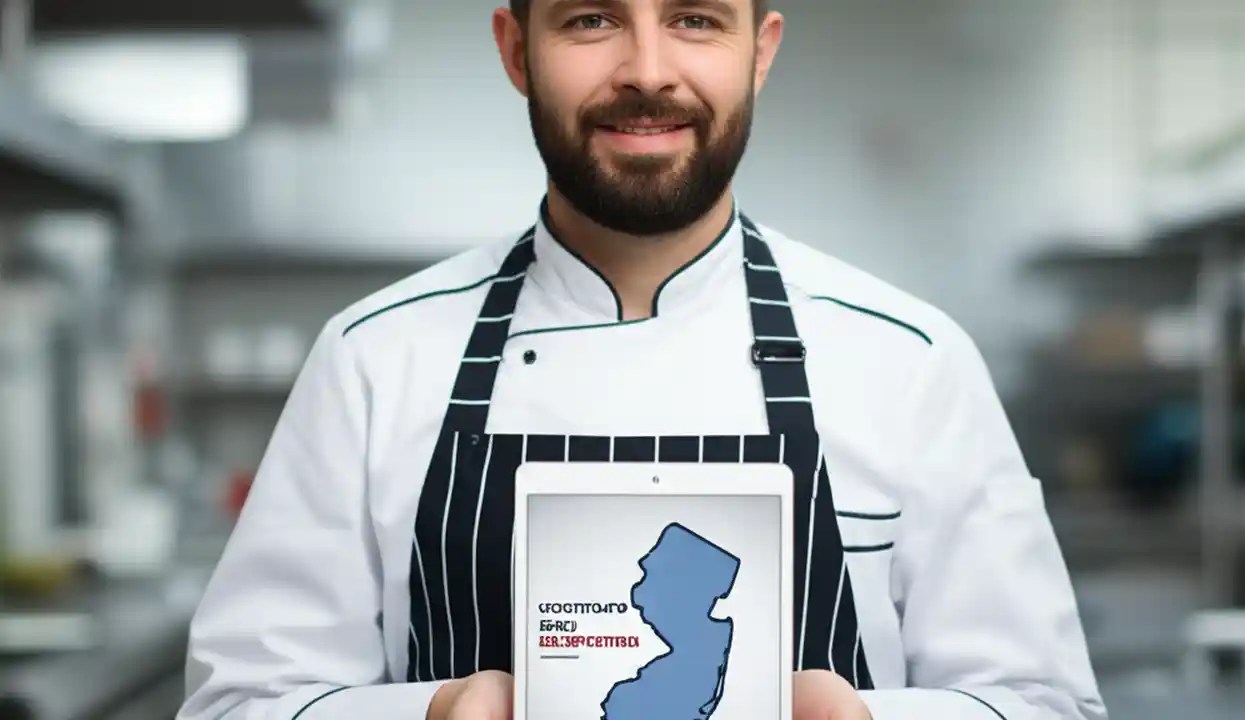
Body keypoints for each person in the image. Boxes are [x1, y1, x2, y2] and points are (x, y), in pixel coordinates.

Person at [180, 1, 1108, 719]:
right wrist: (435, 710)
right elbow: (239, 702)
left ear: (761, 48)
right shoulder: (373, 358)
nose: (648, 72)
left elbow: (1043, 701)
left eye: (695, 19)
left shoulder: (911, 360)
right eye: (591, 19)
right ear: (515, 50)